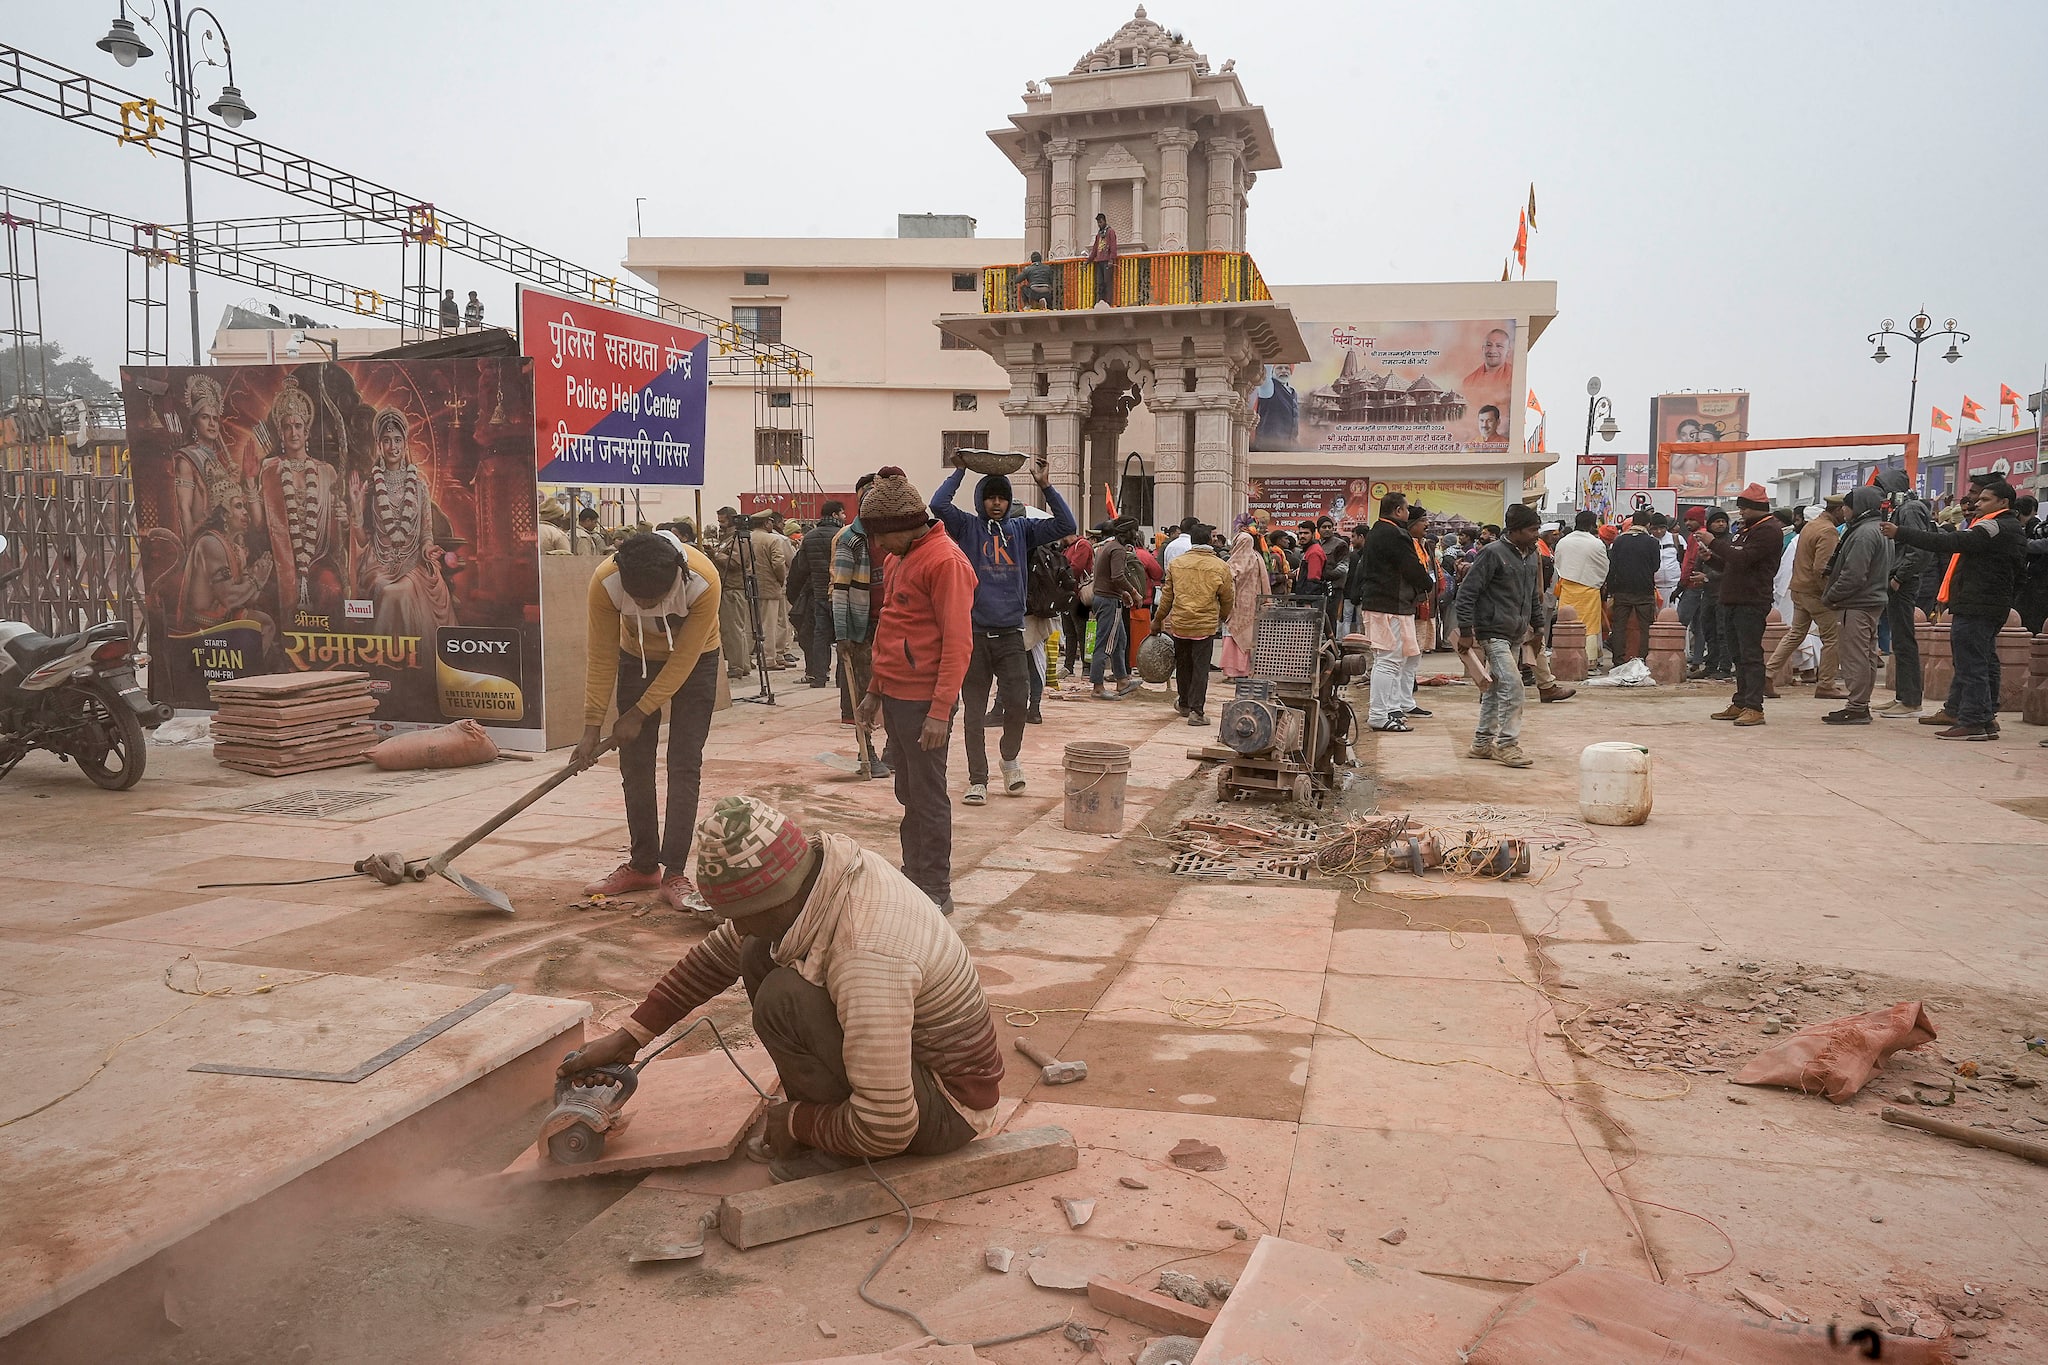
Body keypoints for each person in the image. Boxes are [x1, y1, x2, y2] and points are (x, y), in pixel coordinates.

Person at [561, 795, 1003, 1183]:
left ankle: (841, 1147)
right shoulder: (819, 879)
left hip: (950, 1111)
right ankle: (828, 1117)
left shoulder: (867, 955)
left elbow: (889, 1125)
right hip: (920, 1071)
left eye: (741, 913)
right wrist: (629, 1037)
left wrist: (796, 1122)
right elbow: (715, 958)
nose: (733, 926)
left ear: (776, 899)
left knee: (785, 998)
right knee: (755, 950)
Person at [575, 531, 723, 910]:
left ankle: (673, 871)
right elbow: (602, 655)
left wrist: (638, 713)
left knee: (683, 763)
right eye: (635, 598)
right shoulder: (606, 581)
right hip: (635, 659)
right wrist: (592, 727)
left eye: (650, 600)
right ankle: (643, 865)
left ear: (674, 578)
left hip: (697, 662)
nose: (641, 604)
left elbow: (683, 661)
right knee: (635, 763)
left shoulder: (703, 581)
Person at [854, 468, 976, 911]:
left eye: (882, 538)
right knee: (907, 791)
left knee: (927, 795)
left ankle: (936, 887)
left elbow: (959, 644)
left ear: (905, 526)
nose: (878, 548)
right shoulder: (897, 558)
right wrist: (874, 690)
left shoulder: (946, 562)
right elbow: (890, 630)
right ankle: (914, 875)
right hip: (898, 697)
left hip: (926, 700)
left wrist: (940, 711)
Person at [930, 453, 1076, 804]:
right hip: (975, 635)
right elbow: (938, 504)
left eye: (1002, 497)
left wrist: (1046, 486)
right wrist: (961, 470)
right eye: (991, 497)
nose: (996, 503)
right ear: (981, 500)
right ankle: (977, 779)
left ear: (1010, 501)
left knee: (1017, 702)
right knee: (975, 710)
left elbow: (1065, 525)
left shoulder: (1022, 530)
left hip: (1012, 634)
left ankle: (1010, 760)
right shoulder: (967, 527)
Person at [1884, 476, 2027, 741]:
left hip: (1978, 605)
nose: (1977, 502)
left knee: (1972, 664)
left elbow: (1950, 542)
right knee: (1979, 662)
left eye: (1985, 499)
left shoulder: (1994, 528)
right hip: (1985, 603)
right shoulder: (2003, 528)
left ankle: (1973, 720)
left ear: (2003, 502)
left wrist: (1900, 532)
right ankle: (1981, 717)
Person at [355, 409, 457, 639]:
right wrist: (354, 507)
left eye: (398, 440)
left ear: (405, 443)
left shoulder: (419, 486)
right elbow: (362, 539)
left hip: (414, 563)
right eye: (387, 441)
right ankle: (384, 655)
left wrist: (428, 548)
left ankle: (402, 657)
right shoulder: (370, 488)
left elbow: (426, 533)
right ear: (379, 446)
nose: (393, 447)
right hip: (378, 564)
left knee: (402, 591)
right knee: (385, 588)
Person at [1457, 503, 1544, 768]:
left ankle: (1482, 744)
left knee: (1495, 688)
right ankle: (1507, 745)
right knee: (1514, 686)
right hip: (1493, 633)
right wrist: (1465, 631)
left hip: (1515, 633)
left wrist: (1538, 628)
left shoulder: (1530, 555)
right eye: (1532, 529)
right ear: (1515, 530)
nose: (1536, 534)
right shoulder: (1492, 554)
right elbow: (1467, 593)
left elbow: (1532, 595)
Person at [256, 377, 349, 614]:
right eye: (287, 427)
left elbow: (338, 529)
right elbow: (258, 522)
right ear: (281, 432)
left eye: (298, 426)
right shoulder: (270, 469)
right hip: (280, 559)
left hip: (318, 558)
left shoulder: (325, 471)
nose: (293, 432)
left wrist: (343, 518)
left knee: (332, 589)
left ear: (307, 432)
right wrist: (248, 483)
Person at [1705, 484, 1786, 726]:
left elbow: (1743, 558)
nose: (1740, 512)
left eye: (1743, 508)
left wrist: (1714, 543)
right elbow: (1734, 564)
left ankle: (1754, 706)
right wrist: (1713, 559)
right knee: (1738, 655)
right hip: (1733, 599)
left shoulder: (1769, 531)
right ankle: (1740, 701)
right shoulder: (1746, 530)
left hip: (1752, 601)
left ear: (1756, 508)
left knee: (1751, 655)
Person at [1356, 491, 1434, 733]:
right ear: (1399, 511)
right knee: (1388, 662)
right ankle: (1379, 714)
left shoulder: (1377, 531)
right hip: (1390, 605)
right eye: (1407, 510)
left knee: (1392, 660)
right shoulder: (1395, 534)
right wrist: (1427, 582)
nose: (1409, 514)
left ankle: (1390, 709)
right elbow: (1412, 569)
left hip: (1384, 604)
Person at [1820, 484, 1892, 725]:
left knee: (1855, 657)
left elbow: (1854, 575)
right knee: (1867, 655)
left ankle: (1857, 706)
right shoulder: (1879, 529)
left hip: (1857, 603)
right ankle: (1860, 704)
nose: (1844, 512)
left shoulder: (1862, 534)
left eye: (1847, 507)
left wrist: (1831, 596)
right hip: (1872, 600)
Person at [829, 475, 887, 771]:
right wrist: (842, 634)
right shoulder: (850, 539)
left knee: (895, 692)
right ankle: (867, 750)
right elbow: (839, 590)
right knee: (863, 693)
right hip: (863, 626)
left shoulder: (895, 537)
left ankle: (892, 750)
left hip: (893, 623)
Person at [1766, 496, 1848, 698]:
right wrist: (1830, 595)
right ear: (1838, 510)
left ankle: (1767, 674)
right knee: (1832, 637)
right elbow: (1822, 568)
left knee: (1796, 634)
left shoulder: (1811, 526)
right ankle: (1826, 684)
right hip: (1815, 592)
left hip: (1799, 588)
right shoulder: (1828, 531)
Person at [1157, 521, 1232, 726]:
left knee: (1183, 665)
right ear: (1210, 540)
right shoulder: (1221, 566)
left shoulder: (1177, 563)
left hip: (1180, 623)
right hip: (1205, 625)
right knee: (1200, 668)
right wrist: (1223, 617)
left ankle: (1184, 704)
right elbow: (1227, 599)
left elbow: (1166, 598)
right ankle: (1197, 712)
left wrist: (1157, 620)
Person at [1089, 517, 1145, 699]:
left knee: (1120, 640)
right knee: (1105, 643)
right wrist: (1134, 592)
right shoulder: (1118, 550)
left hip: (1105, 598)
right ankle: (1098, 687)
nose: (1135, 535)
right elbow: (1118, 577)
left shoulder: (1108, 547)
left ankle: (1123, 680)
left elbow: (1109, 578)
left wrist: (1124, 594)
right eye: (1134, 531)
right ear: (1127, 532)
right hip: (1108, 601)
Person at [794, 500, 846, 687]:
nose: (844, 517)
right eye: (842, 513)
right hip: (840, 593)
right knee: (843, 635)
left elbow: (802, 566)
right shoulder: (843, 535)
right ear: (834, 515)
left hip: (818, 593)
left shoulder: (809, 537)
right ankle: (843, 679)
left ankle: (819, 677)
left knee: (820, 635)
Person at [1602, 512, 1660, 665]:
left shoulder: (1619, 541)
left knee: (1619, 626)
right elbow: (1656, 566)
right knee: (1645, 627)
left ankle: (1618, 660)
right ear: (1648, 525)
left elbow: (1612, 567)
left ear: (1633, 522)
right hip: (1644, 590)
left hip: (1622, 591)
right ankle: (1643, 660)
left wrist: (1611, 590)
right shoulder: (1652, 542)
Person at [1553, 511, 1609, 666]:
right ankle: (1589, 661)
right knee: (1589, 626)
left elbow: (1557, 563)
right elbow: (1604, 567)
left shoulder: (1563, 542)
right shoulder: (1596, 543)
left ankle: (1565, 657)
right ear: (1592, 525)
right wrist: (1598, 582)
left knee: (1567, 623)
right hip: (1589, 589)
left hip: (1567, 588)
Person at [708, 507, 757, 681]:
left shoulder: (737, 539)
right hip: (728, 586)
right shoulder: (727, 538)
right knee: (736, 629)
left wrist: (715, 554)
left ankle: (737, 665)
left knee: (732, 630)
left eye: (723, 521)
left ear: (731, 519)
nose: (720, 524)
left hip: (734, 587)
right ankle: (741, 663)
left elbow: (737, 562)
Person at [1683, 509, 1732, 679]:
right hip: (1708, 594)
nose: (1720, 524)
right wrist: (1696, 576)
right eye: (1716, 521)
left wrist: (1707, 577)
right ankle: (1711, 666)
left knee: (1723, 631)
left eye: (1723, 521)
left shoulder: (1730, 543)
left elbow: (1730, 569)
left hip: (1724, 594)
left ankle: (1724, 668)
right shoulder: (1705, 543)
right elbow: (1699, 562)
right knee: (1708, 630)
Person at [749, 510, 796, 668]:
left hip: (751, 587)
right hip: (770, 586)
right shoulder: (773, 540)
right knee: (771, 624)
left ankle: (761, 656)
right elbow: (779, 564)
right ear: (766, 523)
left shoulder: (746, 538)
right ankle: (769, 658)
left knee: (755, 623)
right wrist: (781, 580)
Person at [1220, 528, 1267, 678]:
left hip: (1235, 605)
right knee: (1248, 634)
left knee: (1233, 634)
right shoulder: (1257, 557)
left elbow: (1227, 580)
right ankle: (1246, 669)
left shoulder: (1235, 560)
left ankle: (1232, 671)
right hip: (1252, 604)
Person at [1086, 212, 1118, 306]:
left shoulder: (1110, 231)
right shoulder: (1098, 234)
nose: (1099, 224)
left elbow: (1113, 246)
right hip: (1099, 261)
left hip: (1107, 261)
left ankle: (1108, 302)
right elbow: (1095, 248)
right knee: (1100, 283)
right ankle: (1100, 302)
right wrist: (1088, 260)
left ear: (1104, 221)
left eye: (1100, 222)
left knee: (1107, 282)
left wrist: (1111, 259)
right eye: (1098, 223)